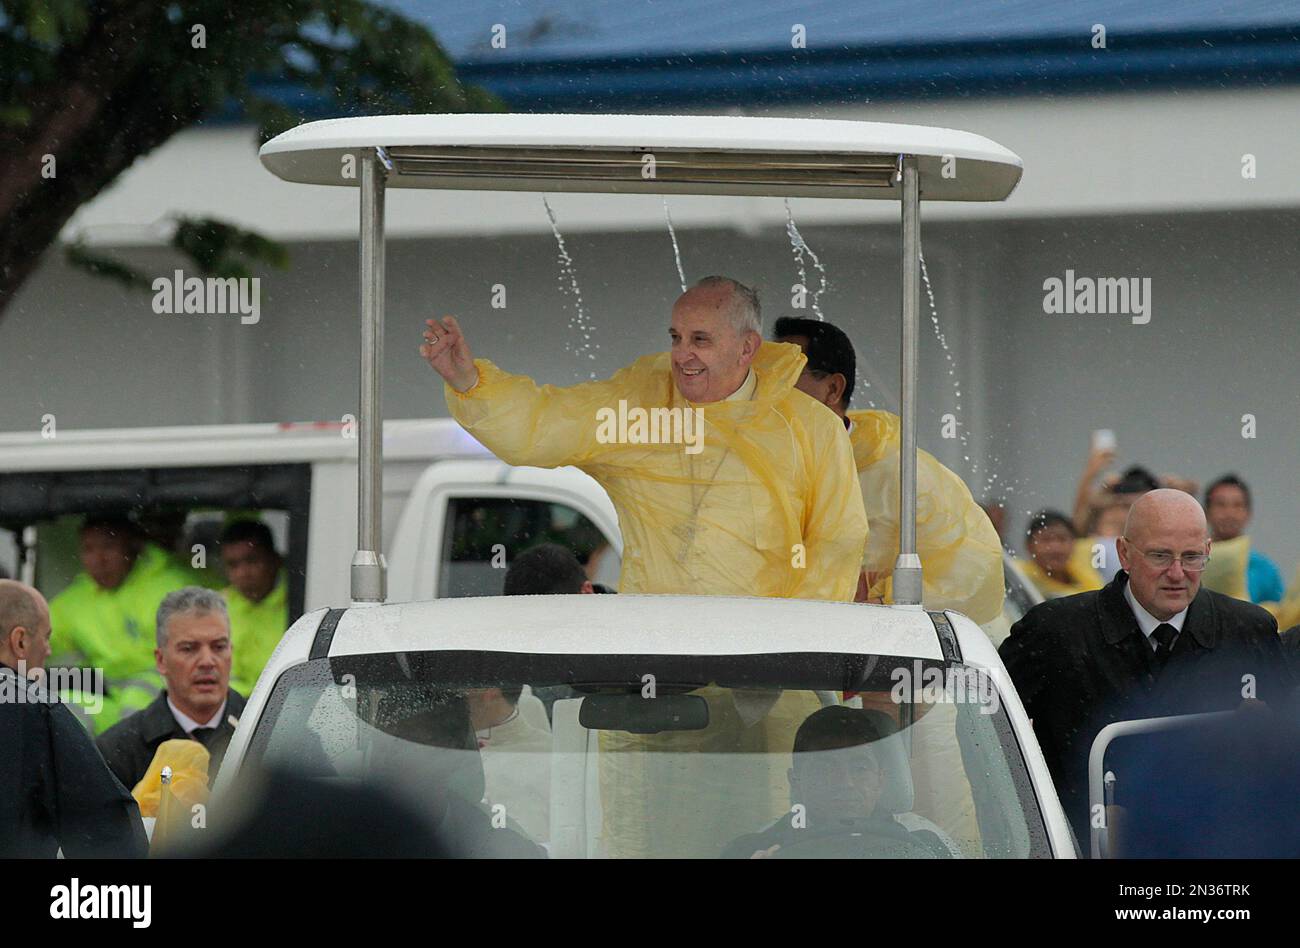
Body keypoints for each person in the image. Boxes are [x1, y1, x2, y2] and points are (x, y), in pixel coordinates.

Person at [421, 275, 868, 602]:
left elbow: (837, 549)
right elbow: (542, 426)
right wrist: (468, 381)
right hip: (656, 668)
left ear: (747, 348)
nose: (681, 355)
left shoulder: (810, 429)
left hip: (763, 678)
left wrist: (785, 659)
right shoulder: (638, 406)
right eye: (675, 337)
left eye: (700, 340)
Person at [999, 489, 1293, 848]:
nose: (1176, 573)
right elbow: (989, 730)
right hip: (1077, 843)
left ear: (1209, 553)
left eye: (1192, 557)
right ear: (1124, 553)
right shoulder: (1054, 633)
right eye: (1159, 556)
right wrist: (1028, 829)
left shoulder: (1246, 633)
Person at [772, 316, 1003, 623]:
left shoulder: (900, 474)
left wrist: (878, 599)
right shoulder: (752, 463)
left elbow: (972, 570)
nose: (770, 390)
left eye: (785, 376)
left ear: (832, 389)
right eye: (766, 375)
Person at [0, 579, 147, 858]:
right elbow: (105, 826)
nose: (49, 650)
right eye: (46, 637)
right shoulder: (33, 707)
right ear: (20, 641)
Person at [722, 705, 951, 859]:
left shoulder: (928, 849)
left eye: (860, 768)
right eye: (825, 768)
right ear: (796, 781)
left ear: (881, 780)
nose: (846, 782)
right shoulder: (748, 852)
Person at [48, 515, 202, 732]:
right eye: (88, 549)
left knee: (136, 702)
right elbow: (33, 641)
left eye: (108, 547)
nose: (98, 559)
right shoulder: (72, 601)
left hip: (172, 694)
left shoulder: (172, 588)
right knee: (60, 709)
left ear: (132, 547)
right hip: (110, 697)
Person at [96, 587, 246, 793]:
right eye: (189, 649)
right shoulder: (118, 750)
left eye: (219, 647)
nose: (207, 661)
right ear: (161, 660)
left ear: (231, 652)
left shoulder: (267, 731)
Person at [465, 685, 552, 843]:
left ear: (490, 693)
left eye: (455, 689)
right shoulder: (434, 750)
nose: (446, 698)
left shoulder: (553, 758)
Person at [218, 520, 288, 695]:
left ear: (275, 560)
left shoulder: (301, 604)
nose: (243, 573)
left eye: (251, 560)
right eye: (233, 565)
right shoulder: (217, 608)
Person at [1202, 474, 1286, 605]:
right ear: (1205, 512)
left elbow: (1278, 617)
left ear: (1248, 513)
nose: (1229, 513)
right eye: (1220, 504)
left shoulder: (1264, 568)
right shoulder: (1194, 563)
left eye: (1237, 505)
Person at [1016, 509, 1103, 600]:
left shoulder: (1087, 577)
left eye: (1062, 539)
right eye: (1046, 540)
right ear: (1029, 546)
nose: (1055, 548)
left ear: (1074, 543)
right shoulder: (1019, 579)